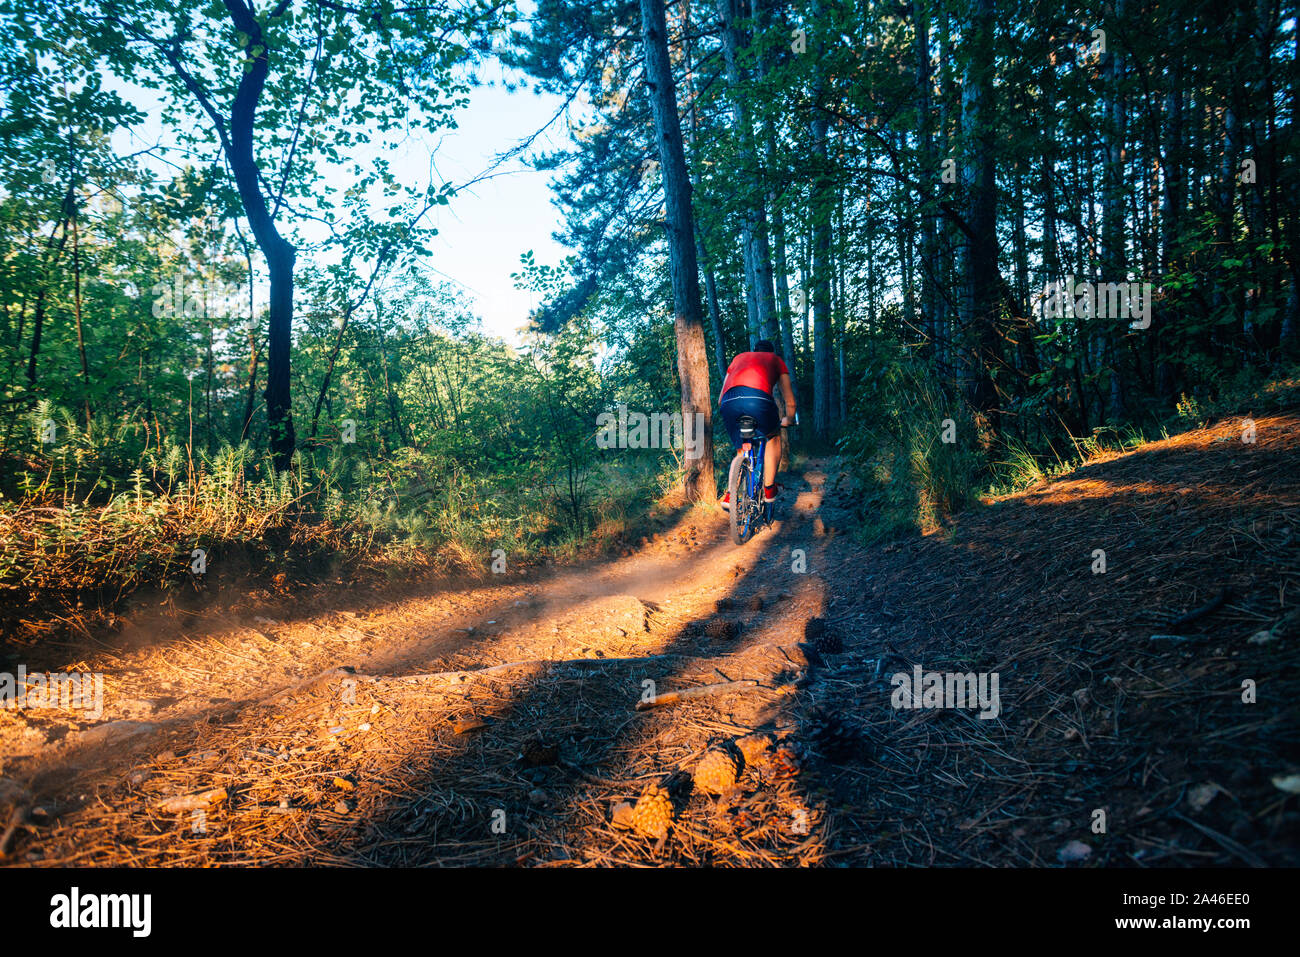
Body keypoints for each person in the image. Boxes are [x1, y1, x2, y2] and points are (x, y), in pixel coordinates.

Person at [717, 339, 796, 511]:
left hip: (729, 402)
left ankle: (730, 494)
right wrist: (789, 419)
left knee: (740, 451)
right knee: (773, 437)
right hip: (758, 401)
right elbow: (790, 402)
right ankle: (769, 489)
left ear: (754, 350)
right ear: (771, 352)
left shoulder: (738, 358)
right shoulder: (775, 360)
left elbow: (719, 399)